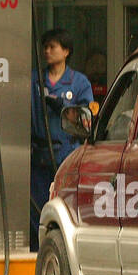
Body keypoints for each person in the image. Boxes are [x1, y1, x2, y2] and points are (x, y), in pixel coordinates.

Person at [30, 27, 94, 253]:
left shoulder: (78, 83)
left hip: (65, 153)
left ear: (66, 51)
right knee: (36, 211)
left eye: (52, 47)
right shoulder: (34, 79)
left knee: (64, 210)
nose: (47, 51)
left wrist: (65, 109)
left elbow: (87, 119)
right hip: (38, 156)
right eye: (45, 47)